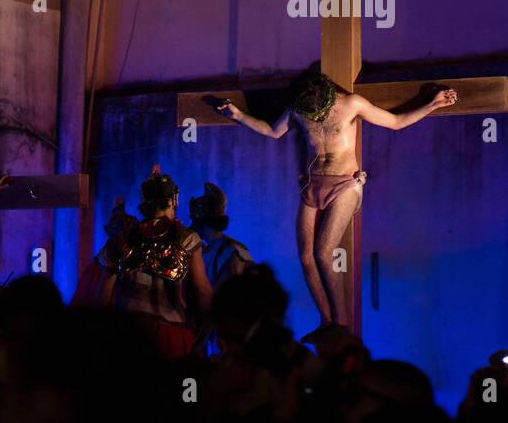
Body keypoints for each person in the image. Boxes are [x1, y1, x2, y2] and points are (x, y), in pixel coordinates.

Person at [217, 68, 457, 339]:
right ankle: (326, 320)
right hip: (312, 185)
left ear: (329, 97)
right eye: (311, 114)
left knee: (323, 252)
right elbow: (273, 131)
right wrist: (238, 115)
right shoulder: (299, 107)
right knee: (306, 258)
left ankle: (341, 323)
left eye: (319, 112)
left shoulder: (351, 103)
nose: (315, 117)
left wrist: (433, 103)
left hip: (345, 184)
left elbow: (397, 121)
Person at [71, 165, 213, 360]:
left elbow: (103, 295)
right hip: (171, 337)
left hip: (129, 336)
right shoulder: (187, 238)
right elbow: (202, 290)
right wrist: (205, 335)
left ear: (145, 203)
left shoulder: (122, 238)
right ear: (173, 201)